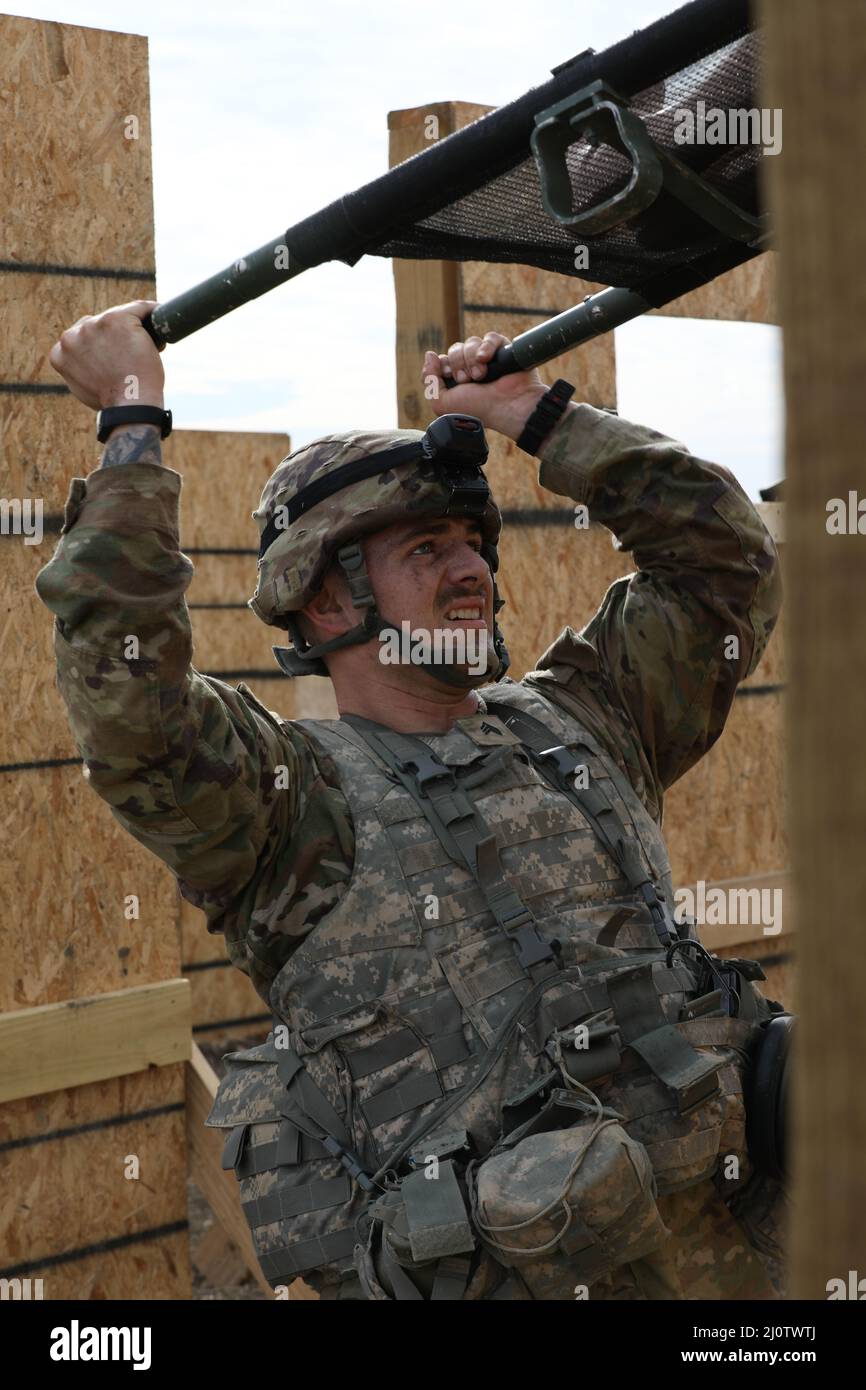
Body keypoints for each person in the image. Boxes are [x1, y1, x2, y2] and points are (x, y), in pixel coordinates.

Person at [37, 300, 785, 1301]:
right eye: (424, 550)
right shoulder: (289, 809)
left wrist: (539, 415)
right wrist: (134, 428)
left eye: (472, 543)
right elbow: (133, 711)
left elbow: (724, 566)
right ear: (326, 598)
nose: (472, 568)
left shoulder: (586, 717)